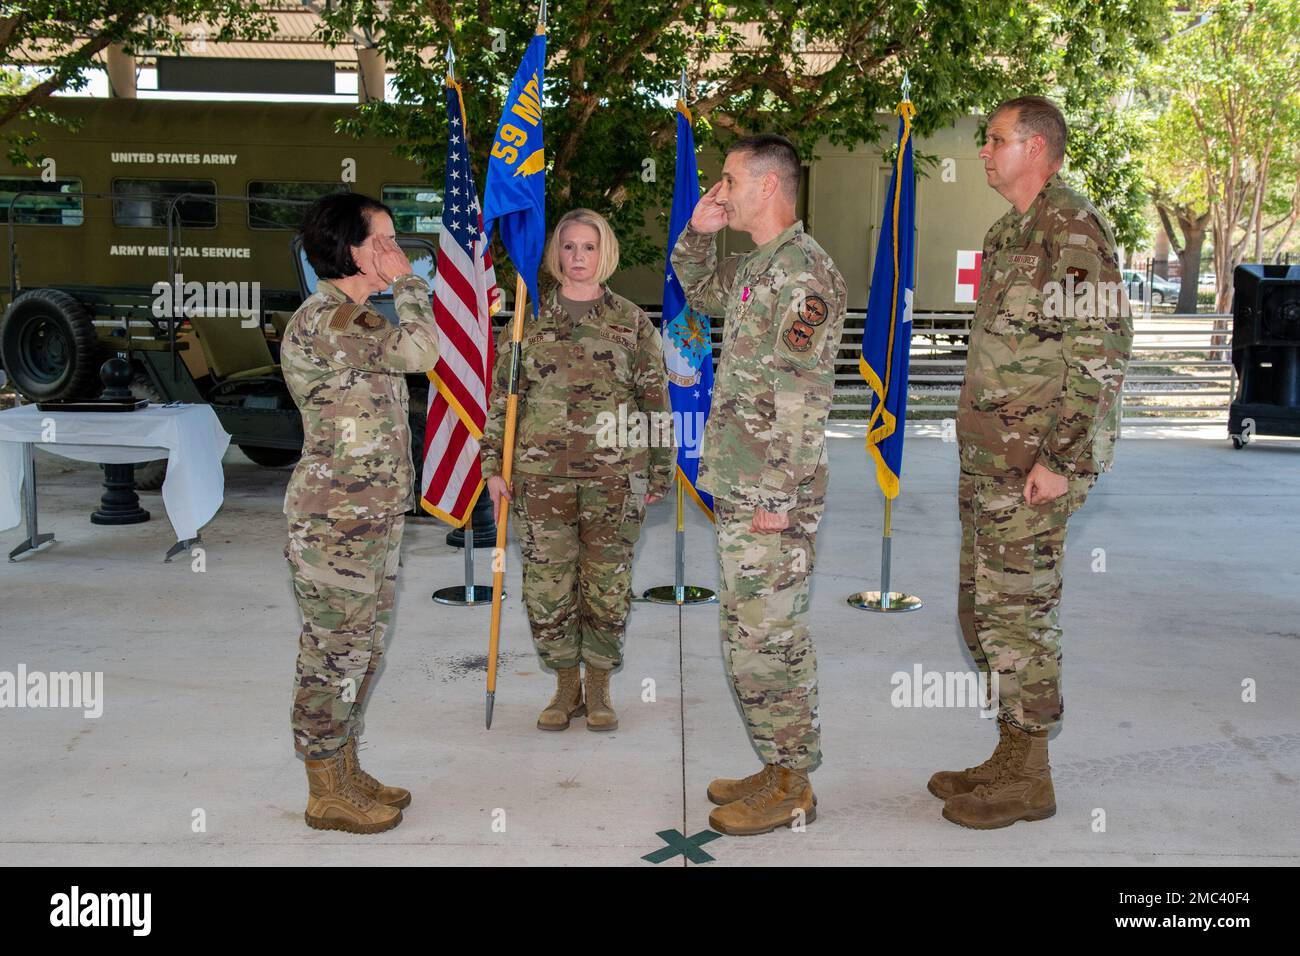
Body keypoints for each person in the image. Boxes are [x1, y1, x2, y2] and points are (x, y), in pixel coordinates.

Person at [932, 95, 1133, 829]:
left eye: (995, 140)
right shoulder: (1007, 231)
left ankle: (1033, 778)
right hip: (990, 459)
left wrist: (1059, 458)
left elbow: (1101, 354)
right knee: (982, 612)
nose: (983, 153)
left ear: (1039, 148)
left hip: (1034, 467)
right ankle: (1011, 751)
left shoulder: (1070, 228)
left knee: (1020, 617)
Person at [672, 134, 847, 836]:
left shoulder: (802, 274)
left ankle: (794, 785)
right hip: (744, 482)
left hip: (772, 491)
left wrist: (776, 495)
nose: (721, 190)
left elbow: (800, 398)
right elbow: (701, 290)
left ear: (770, 186)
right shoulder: (760, 265)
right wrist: (696, 233)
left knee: (768, 638)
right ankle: (777, 765)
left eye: (731, 179)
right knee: (748, 633)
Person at [281, 192, 440, 834]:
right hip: (334, 525)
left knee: (362, 648)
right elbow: (422, 352)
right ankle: (324, 788)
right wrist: (411, 286)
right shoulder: (330, 319)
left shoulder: (355, 318)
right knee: (333, 651)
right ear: (354, 250)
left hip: (370, 516)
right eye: (386, 240)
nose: (397, 252)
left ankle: (343, 763)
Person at [481, 208, 673, 732]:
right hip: (539, 478)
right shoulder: (527, 318)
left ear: (604, 253)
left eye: (589, 247)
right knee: (547, 587)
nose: (579, 257)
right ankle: (565, 687)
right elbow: (504, 396)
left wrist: (660, 471)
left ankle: (601, 688)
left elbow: (655, 399)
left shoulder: (631, 321)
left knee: (606, 586)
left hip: (616, 478)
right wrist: (492, 464)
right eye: (569, 246)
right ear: (555, 254)